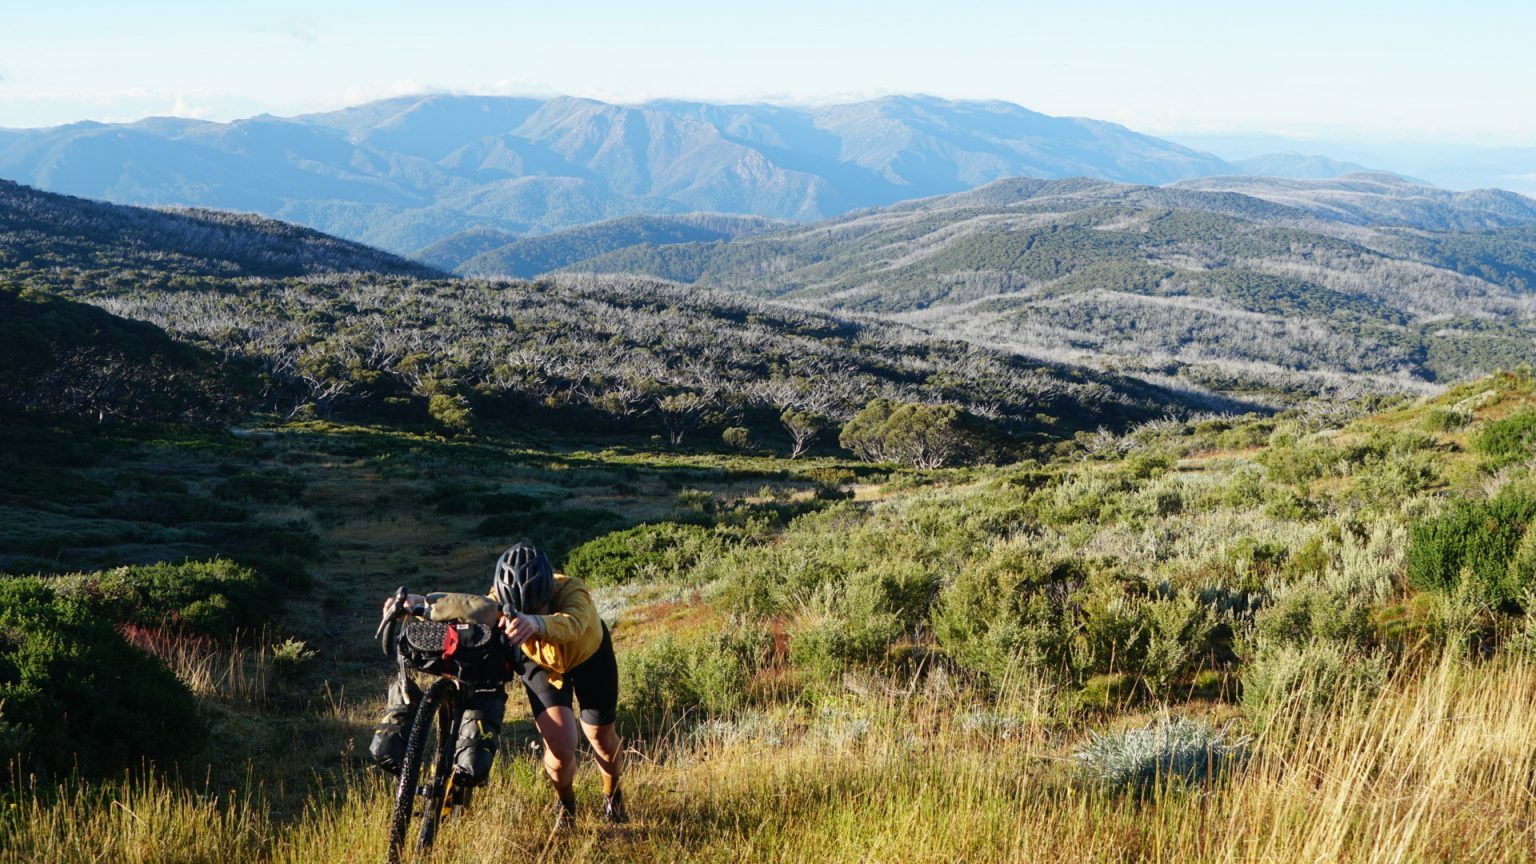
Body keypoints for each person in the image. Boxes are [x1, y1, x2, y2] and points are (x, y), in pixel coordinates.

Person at [369, 542, 626, 828]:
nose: (522, 611)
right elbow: (466, 607)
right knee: (561, 747)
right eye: (516, 609)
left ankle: (612, 794)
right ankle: (566, 804)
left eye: (536, 605)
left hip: (589, 656)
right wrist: (419, 604)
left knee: (601, 739)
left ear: (549, 591)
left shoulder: (572, 590)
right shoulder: (499, 599)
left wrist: (535, 622)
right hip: (537, 660)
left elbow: (574, 623)